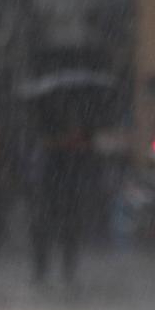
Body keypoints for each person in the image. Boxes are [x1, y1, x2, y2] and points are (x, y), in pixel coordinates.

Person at [29, 102, 104, 286]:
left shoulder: (79, 148)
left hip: (70, 193)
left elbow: (89, 165)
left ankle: (66, 272)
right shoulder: (50, 147)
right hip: (51, 192)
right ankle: (42, 271)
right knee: (44, 231)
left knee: (68, 233)